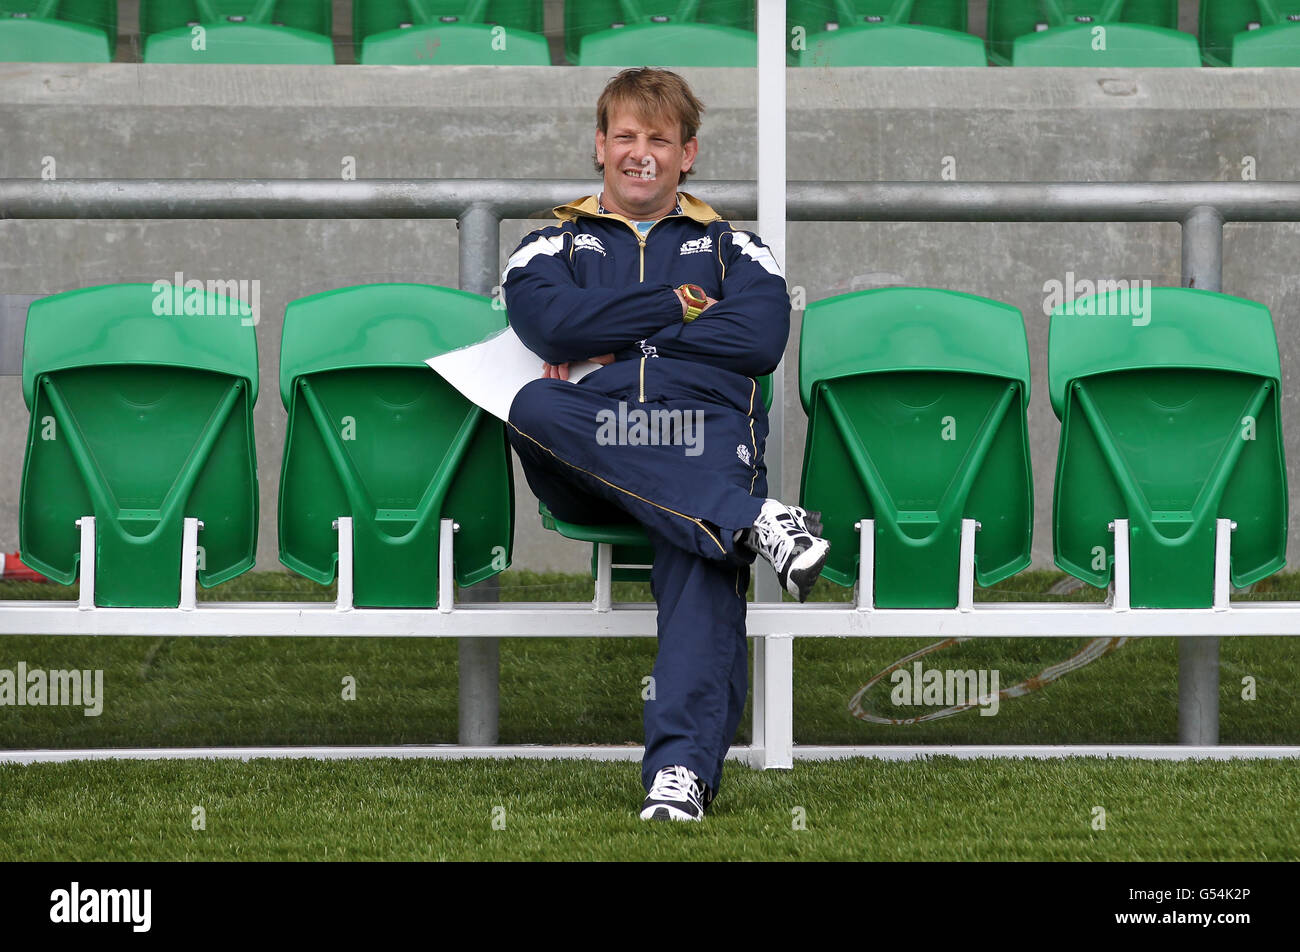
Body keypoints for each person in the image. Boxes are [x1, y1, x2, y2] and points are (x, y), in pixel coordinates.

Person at [501, 67, 828, 822]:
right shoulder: (547, 245)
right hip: (595, 441)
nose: (639, 152)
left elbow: (760, 335)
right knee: (532, 400)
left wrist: (614, 336)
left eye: (659, 138)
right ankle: (750, 519)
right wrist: (679, 307)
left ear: (689, 154)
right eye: (625, 136)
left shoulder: (737, 248)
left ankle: (679, 775)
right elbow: (550, 328)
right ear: (598, 147)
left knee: (700, 544)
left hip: (701, 433)